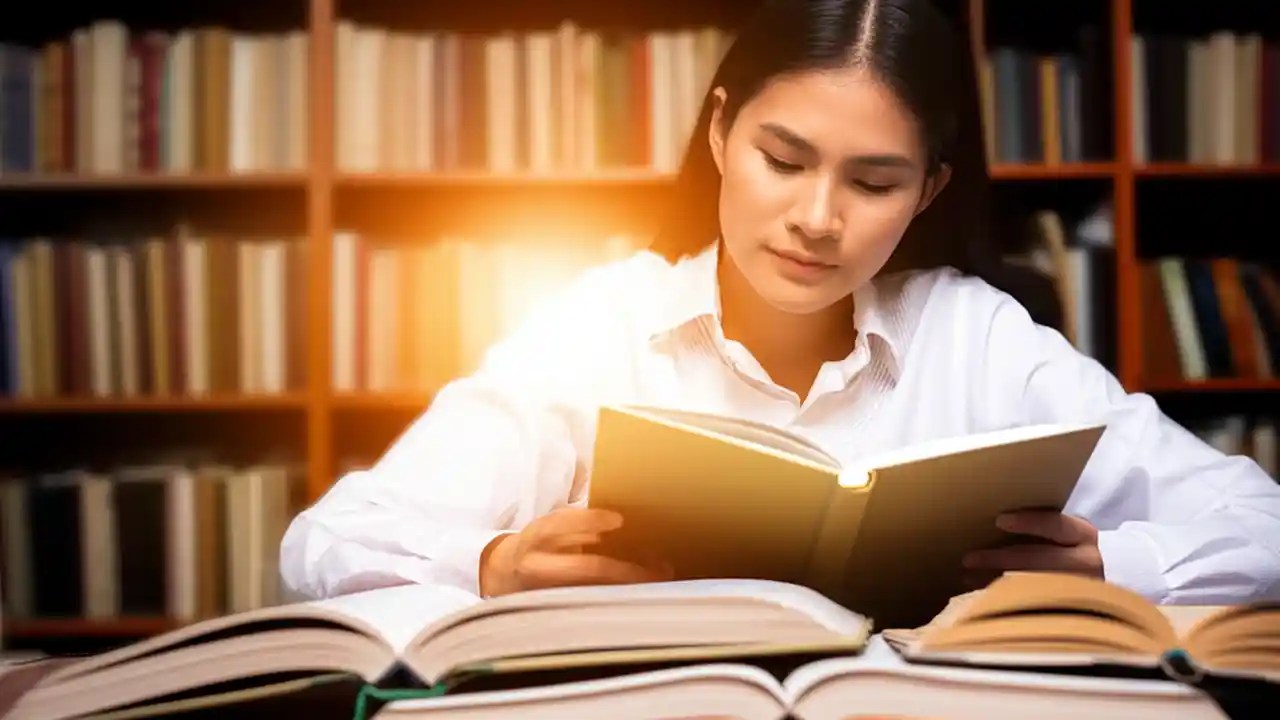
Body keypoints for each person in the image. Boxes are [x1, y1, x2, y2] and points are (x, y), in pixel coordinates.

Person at [280, 0, 1280, 607]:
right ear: (720, 132)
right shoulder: (598, 326)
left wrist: (1114, 562)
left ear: (927, 190)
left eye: (872, 183)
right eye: (781, 159)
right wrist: (491, 563)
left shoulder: (975, 335)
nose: (815, 218)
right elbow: (331, 541)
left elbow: (1256, 522)